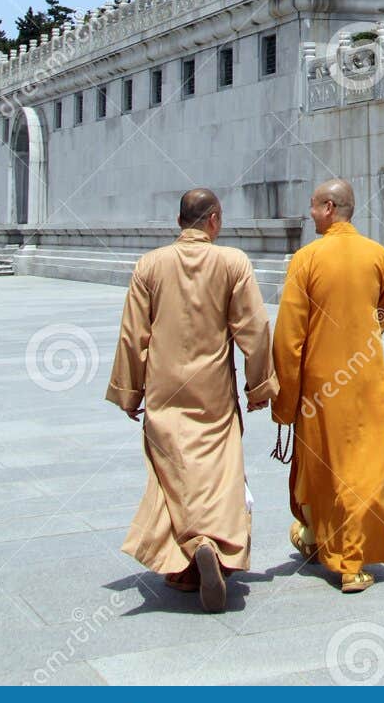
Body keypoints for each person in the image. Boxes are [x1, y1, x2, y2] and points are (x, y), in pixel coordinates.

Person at [106, 187, 277, 612]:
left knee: (172, 473)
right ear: (214, 220)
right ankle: (211, 544)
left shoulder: (150, 264)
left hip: (164, 390)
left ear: (180, 221)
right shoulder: (232, 262)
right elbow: (253, 330)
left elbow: (134, 335)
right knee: (218, 474)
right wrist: (260, 387)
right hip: (213, 392)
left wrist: (129, 392)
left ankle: (184, 567)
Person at [272, 179, 384, 593]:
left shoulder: (306, 259)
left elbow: (289, 336)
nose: (310, 214)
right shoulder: (379, 256)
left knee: (323, 464)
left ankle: (339, 553)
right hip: (366, 375)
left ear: (329, 207)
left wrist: (284, 399)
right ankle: (337, 549)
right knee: (366, 463)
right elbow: (383, 313)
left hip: (320, 380)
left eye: (313, 206)